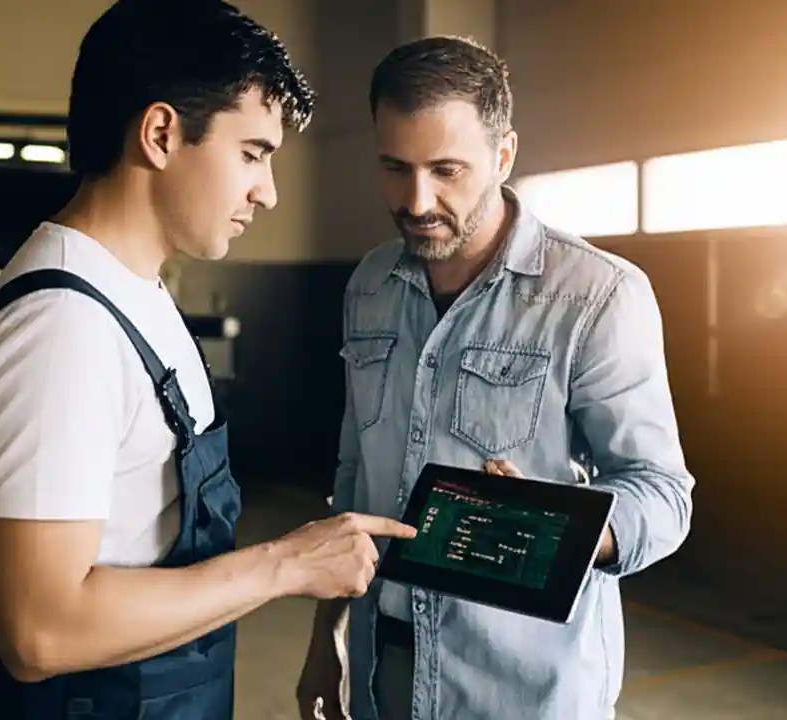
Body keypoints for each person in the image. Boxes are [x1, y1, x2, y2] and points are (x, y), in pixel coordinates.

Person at [0, 2, 415, 718]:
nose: (268, 191)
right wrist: (286, 564)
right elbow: (40, 631)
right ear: (162, 133)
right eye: (252, 154)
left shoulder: (136, 293)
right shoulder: (63, 328)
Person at [296, 36, 695, 720]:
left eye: (447, 170)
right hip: (382, 665)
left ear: (503, 155)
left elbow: (663, 495)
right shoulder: (370, 286)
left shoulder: (597, 296)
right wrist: (325, 635)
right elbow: (356, 478)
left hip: (524, 691)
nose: (417, 200)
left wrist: (559, 526)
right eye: (395, 168)